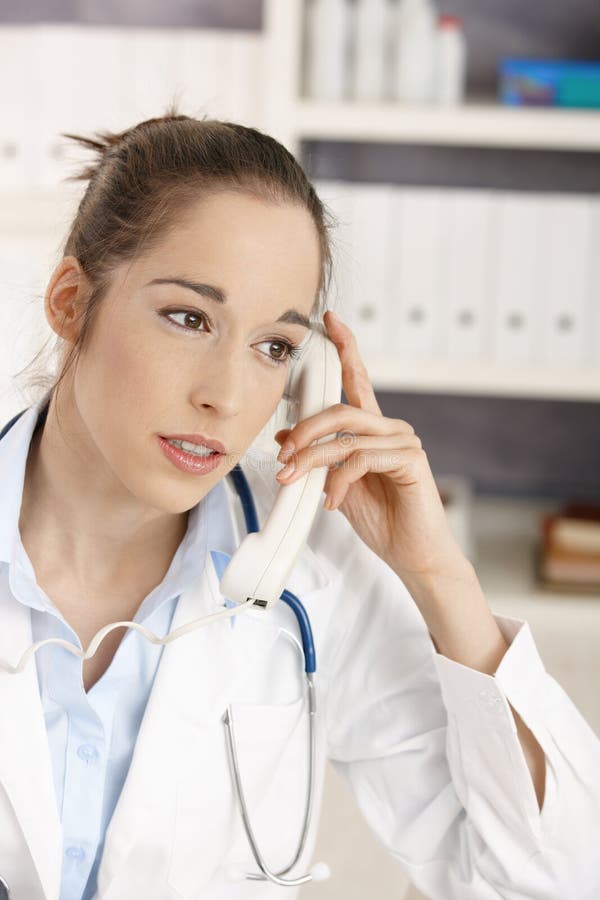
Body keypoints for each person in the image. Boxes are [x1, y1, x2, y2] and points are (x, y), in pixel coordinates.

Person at [0, 107, 598, 900]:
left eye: (273, 347)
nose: (226, 396)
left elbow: (555, 881)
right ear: (71, 301)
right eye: (189, 318)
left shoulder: (313, 578)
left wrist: (437, 574)